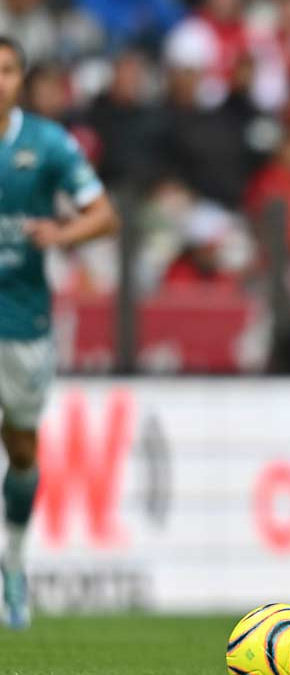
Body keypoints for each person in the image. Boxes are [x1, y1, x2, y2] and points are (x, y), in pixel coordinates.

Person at [0, 36, 120, 630]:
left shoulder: (46, 144)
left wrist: (60, 234)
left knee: (21, 448)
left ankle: (14, 565)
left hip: (23, 321)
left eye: (6, 70)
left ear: (20, 79)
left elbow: (104, 214)